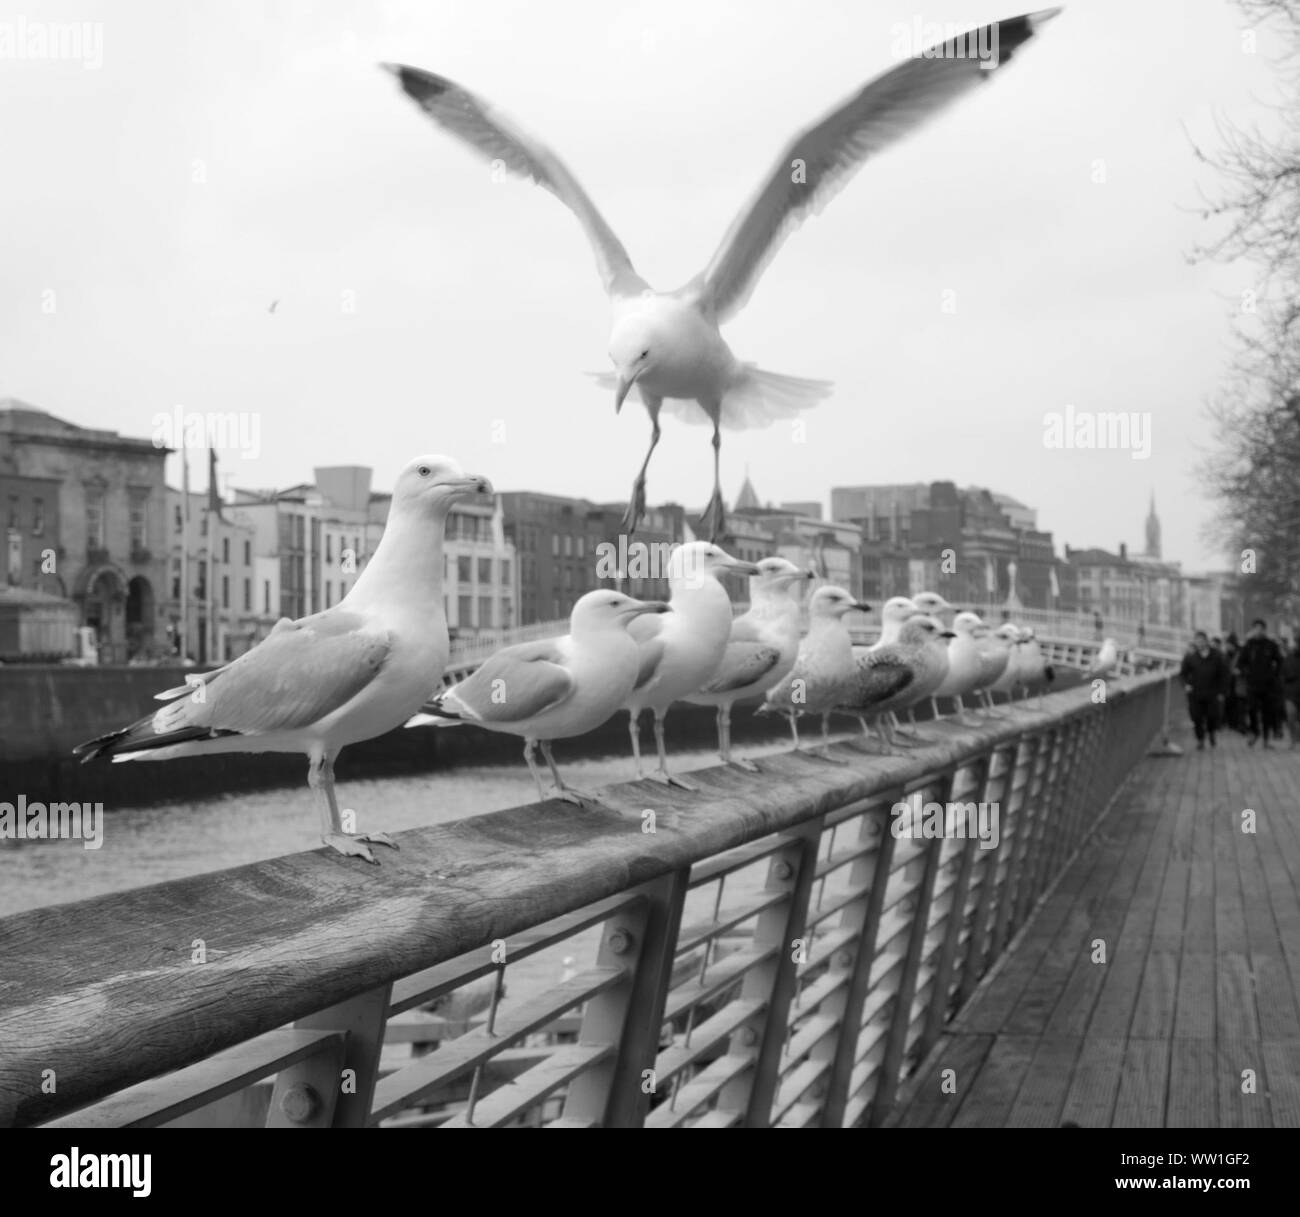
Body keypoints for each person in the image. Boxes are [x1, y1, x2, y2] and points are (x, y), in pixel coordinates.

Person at [1236, 619, 1284, 748]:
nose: (1258, 630)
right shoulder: (1248, 645)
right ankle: (1254, 732)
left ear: (1264, 630)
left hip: (1268, 685)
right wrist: (1246, 672)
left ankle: (1266, 739)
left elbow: (1280, 661)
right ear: (1253, 630)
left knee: (1267, 712)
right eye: (1256, 628)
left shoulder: (1270, 645)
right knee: (1251, 709)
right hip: (1252, 684)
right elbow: (1240, 663)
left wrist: (1275, 675)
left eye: (1261, 628)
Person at [1180, 630, 1228, 750]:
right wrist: (1186, 685)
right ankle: (1200, 739)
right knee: (1196, 717)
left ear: (1207, 641)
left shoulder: (1217, 656)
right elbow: (1183, 674)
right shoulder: (1191, 656)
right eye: (1197, 642)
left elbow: (1224, 674)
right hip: (1195, 692)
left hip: (1212, 692)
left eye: (1202, 641)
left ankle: (1211, 733)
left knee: (1213, 716)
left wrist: (1222, 691)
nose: (1200, 644)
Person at [1223, 632, 1244, 732]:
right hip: (1229, 683)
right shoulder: (1226, 655)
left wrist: (1241, 671)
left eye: (1228, 645)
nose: (1227, 647)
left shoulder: (1241, 653)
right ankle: (1232, 724)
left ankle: (1239, 724)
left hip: (1239, 683)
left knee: (1240, 705)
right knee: (1230, 704)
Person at [1282, 638, 1300, 749]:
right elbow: (1283, 674)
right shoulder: (1289, 658)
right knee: (1291, 717)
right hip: (1291, 692)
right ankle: (1293, 740)